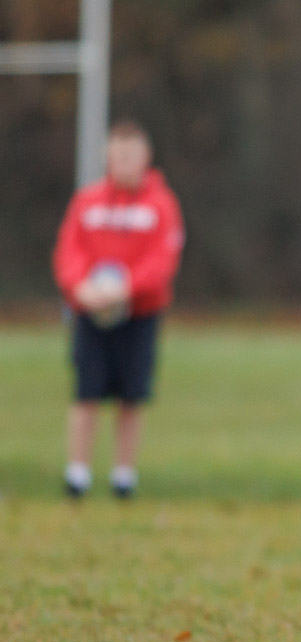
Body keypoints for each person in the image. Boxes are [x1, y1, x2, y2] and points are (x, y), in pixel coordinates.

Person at [53, 120, 185, 498]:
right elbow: (69, 250)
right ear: (107, 157)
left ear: (146, 157)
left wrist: (126, 287)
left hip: (139, 313)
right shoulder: (88, 201)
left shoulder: (161, 204)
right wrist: (81, 287)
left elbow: (163, 259)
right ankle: (78, 472)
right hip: (91, 311)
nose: (124, 161)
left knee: (131, 395)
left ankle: (123, 475)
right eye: (118, 154)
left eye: (131, 154)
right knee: (86, 392)